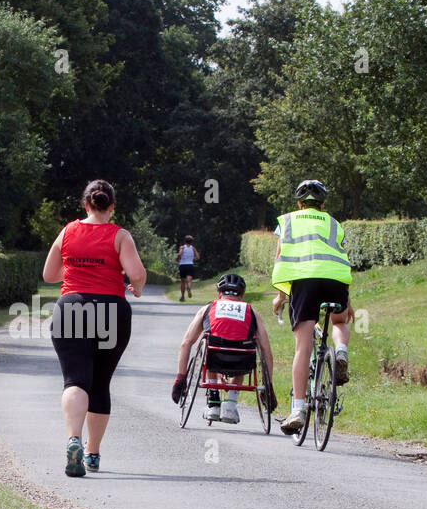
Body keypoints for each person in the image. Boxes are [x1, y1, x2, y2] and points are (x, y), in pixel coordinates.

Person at [42, 180, 147, 476]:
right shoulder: (120, 236)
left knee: (75, 380)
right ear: (111, 206)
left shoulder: (68, 231)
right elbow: (136, 273)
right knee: (100, 383)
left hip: (72, 305)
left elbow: (50, 274)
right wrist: (136, 287)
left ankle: (73, 438)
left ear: (85, 204)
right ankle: (92, 454)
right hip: (112, 310)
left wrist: (78, 267)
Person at [269, 179, 353, 435]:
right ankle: (340, 351)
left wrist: (280, 295)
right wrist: (349, 302)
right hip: (335, 280)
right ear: (323, 204)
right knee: (338, 322)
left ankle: (298, 409)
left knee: (303, 346)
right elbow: (338, 255)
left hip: (304, 281)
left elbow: (281, 257)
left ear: (299, 203)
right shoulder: (334, 224)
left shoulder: (287, 221)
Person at [171, 273, 277, 424]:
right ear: (242, 295)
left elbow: (186, 343)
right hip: (242, 362)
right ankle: (231, 406)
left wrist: (181, 378)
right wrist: (268, 385)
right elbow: (266, 350)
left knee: (209, 345)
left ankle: (213, 403)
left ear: (219, 293)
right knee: (243, 347)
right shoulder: (252, 312)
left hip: (214, 360)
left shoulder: (207, 309)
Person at [176, 236, 200, 301]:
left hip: (182, 265)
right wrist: (192, 259)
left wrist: (177, 258)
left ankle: (182, 297)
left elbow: (180, 254)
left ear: (185, 241)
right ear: (191, 241)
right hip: (190, 265)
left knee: (183, 282)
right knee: (189, 280)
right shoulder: (193, 248)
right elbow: (198, 257)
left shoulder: (182, 247)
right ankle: (189, 288)